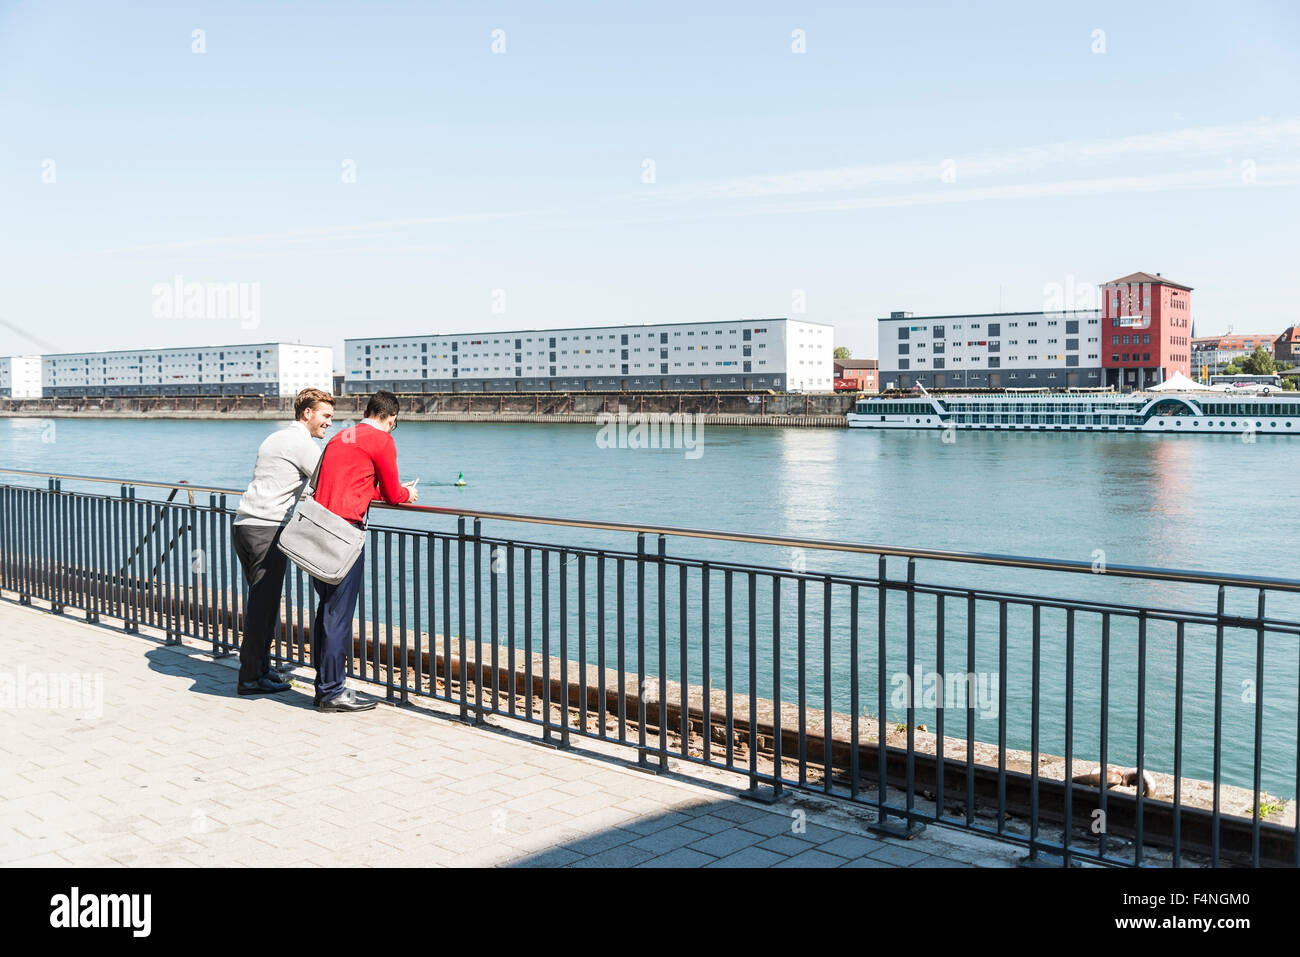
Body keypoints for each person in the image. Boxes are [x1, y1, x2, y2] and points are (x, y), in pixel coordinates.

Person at [309, 390, 418, 712]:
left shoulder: (341, 435)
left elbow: (345, 481)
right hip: (344, 532)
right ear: (390, 418)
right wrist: (408, 493)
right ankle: (331, 692)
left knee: (327, 608)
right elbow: (393, 493)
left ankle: (323, 684)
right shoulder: (381, 440)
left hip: (318, 527)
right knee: (338, 613)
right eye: (393, 424)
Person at [232, 387, 335, 695]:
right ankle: (250, 679)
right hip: (267, 528)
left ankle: (262, 669)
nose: (329, 423)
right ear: (308, 413)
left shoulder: (276, 437)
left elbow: (284, 480)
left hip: (244, 523)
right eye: (326, 416)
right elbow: (326, 479)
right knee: (262, 608)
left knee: (261, 603)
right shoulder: (301, 443)